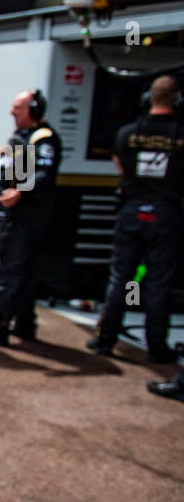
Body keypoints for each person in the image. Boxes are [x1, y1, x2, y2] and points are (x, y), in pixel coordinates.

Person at [86, 74, 183, 363]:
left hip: (132, 210)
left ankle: (105, 340)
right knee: (158, 284)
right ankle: (156, 348)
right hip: (167, 213)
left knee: (121, 280)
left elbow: (121, 167)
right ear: (177, 99)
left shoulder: (127, 133)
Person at [0, 88, 62, 345]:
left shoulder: (44, 139)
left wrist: (20, 192)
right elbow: (8, 173)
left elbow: (42, 175)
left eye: (17, 108)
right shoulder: (20, 138)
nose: (11, 112)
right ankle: (25, 323)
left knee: (10, 270)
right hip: (15, 214)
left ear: (34, 110)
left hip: (27, 217)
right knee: (23, 272)